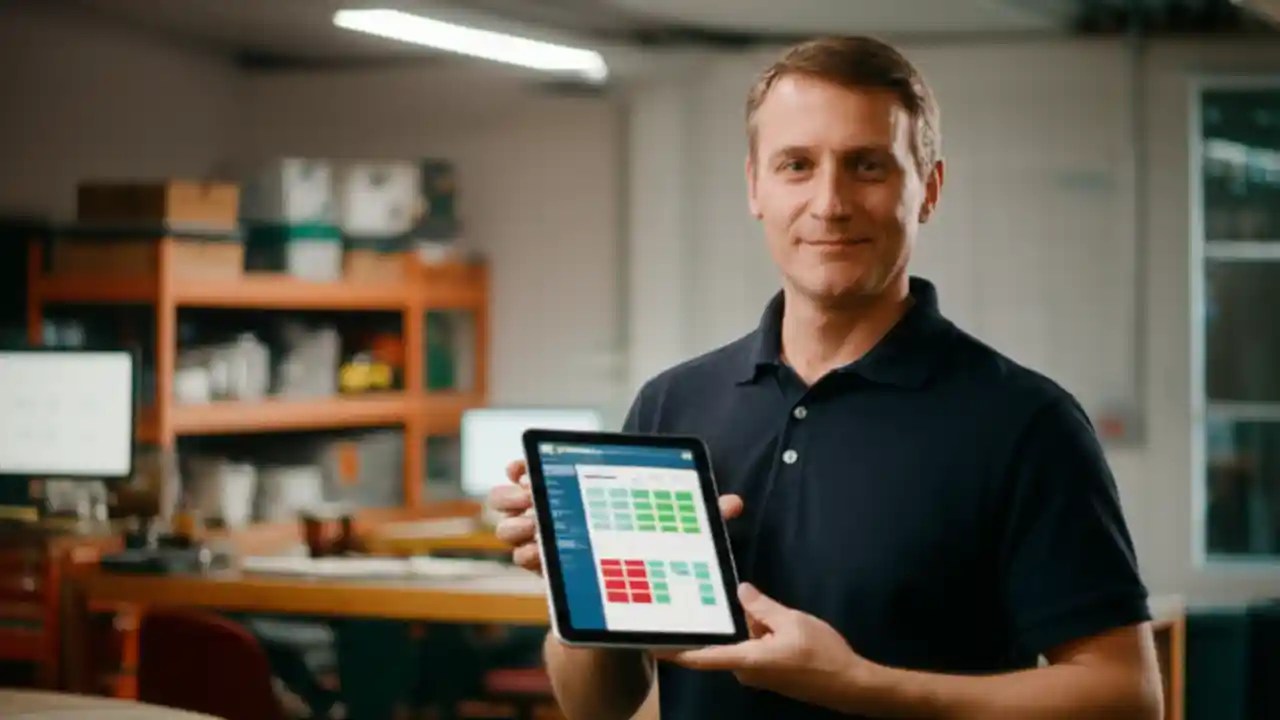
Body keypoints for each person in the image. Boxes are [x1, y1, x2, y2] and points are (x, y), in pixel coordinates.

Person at [489, 35, 1163, 720]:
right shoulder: (673, 401)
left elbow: (1125, 697)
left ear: (927, 189)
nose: (830, 202)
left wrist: (858, 684)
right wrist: (579, 589)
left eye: (867, 166)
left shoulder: (1026, 422)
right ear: (755, 185)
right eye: (797, 166)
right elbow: (600, 708)